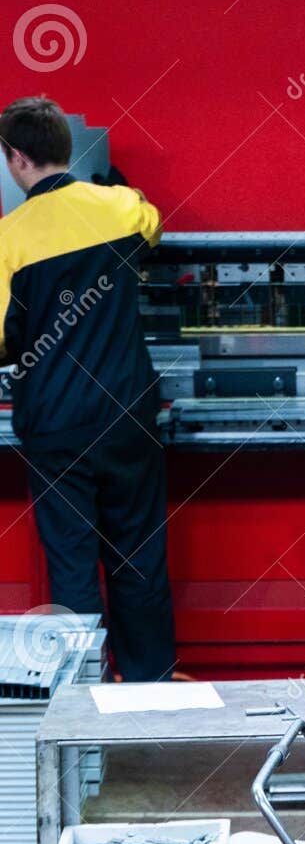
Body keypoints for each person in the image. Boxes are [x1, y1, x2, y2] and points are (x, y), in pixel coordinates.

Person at [0, 96, 176, 681]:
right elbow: (150, 224)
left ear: (17, 158)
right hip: (127, 415)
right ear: (67, 150)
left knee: (73, 566)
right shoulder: (120, 208)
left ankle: (81, 706)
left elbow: (3, 339)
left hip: (56, 427)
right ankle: (149, 694)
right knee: (140, 559)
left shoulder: (9, 238)